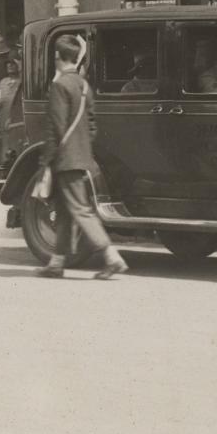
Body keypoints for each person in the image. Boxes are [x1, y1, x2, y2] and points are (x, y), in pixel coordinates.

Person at [38, 33, 127, 280]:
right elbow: (91, 127)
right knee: (65, 211)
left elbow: (55, 128)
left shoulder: (60, 85)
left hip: (65, 159)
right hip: (80, 157)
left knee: (79, 209)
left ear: (58, 56)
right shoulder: (84, 85)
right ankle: (56, 263)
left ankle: (112, 257)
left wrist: (46, 160)